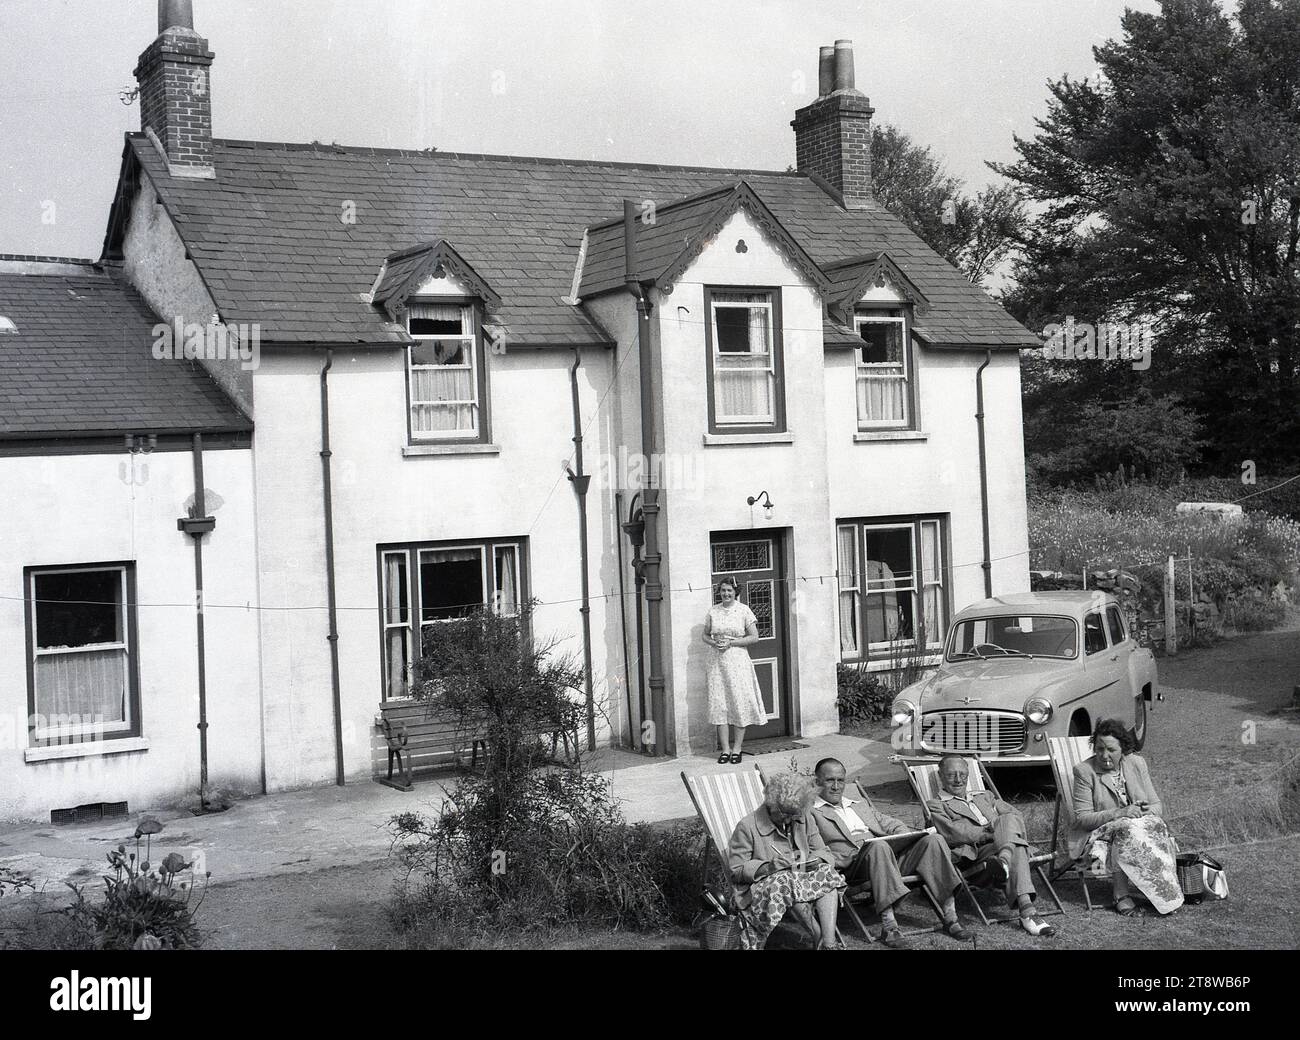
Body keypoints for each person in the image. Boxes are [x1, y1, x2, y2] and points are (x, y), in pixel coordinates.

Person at [812, 757, 969, 947]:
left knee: (934, 840)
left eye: (840, 780)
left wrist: (904, 838)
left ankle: (951, 916)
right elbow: (818, 850)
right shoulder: (812, 812)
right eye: (830, 780)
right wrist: (861, 849)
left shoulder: (857, 804)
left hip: (886, 856)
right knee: (879, 846)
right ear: (817, 781)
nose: (836, 786)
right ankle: (889, 926)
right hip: (853, 867)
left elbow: (890, 823)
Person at [927, 755, 1056, 937]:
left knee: (1008, 822)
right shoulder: (936, 805)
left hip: (998, 846)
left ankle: (1005, 862)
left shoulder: (984, 795)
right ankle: (1028, 913)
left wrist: (1002, 828)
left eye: (962, 774)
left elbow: (1015, 815)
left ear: (968, 774)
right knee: (1015, 843)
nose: (958, 780)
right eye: (951, 775)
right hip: (973, 853)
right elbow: (951, 832)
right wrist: (991, 832)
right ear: (941, 777)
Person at [1071, 717, 1183, 916]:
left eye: (1111, 750)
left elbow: (1157, 806)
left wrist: (1146, 810)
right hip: (1096, 835)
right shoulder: (1084, 772)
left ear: (1123, 749)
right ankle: (1120, 894)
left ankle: (1161, 892)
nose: (1104, 755)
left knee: (1154, 824)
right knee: (1126, 828)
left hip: (1137, 828)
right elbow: (1083, 819)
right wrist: (1120, 813)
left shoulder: (1136, 764)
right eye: (1099, 749)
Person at [727, 772, 848, 950]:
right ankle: (819, 937)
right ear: (771, 804)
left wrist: (812, 860)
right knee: (786, 880)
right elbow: (736, 870)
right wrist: (769, 866)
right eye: (785, 814)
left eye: (794, 814)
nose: (789, 819)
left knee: (826, 872)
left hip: (801, 880)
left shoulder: (803, 817)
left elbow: (824, 851)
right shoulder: (747, 826)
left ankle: (828, 944)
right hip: (763, 889)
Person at [702, 577, 766, 764]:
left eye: (729, 590)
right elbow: (704, 634)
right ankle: (725, 750)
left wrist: (732, 642)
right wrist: (714, 642)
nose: (726, 594)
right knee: (720, 704)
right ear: (719, 592)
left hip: (738, 660)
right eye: (723, 590)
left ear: (735, 591)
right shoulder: (713, 611)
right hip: (717, 662)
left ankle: (737, 749)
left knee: (739, 703)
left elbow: (754, 637)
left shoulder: (743, 610)